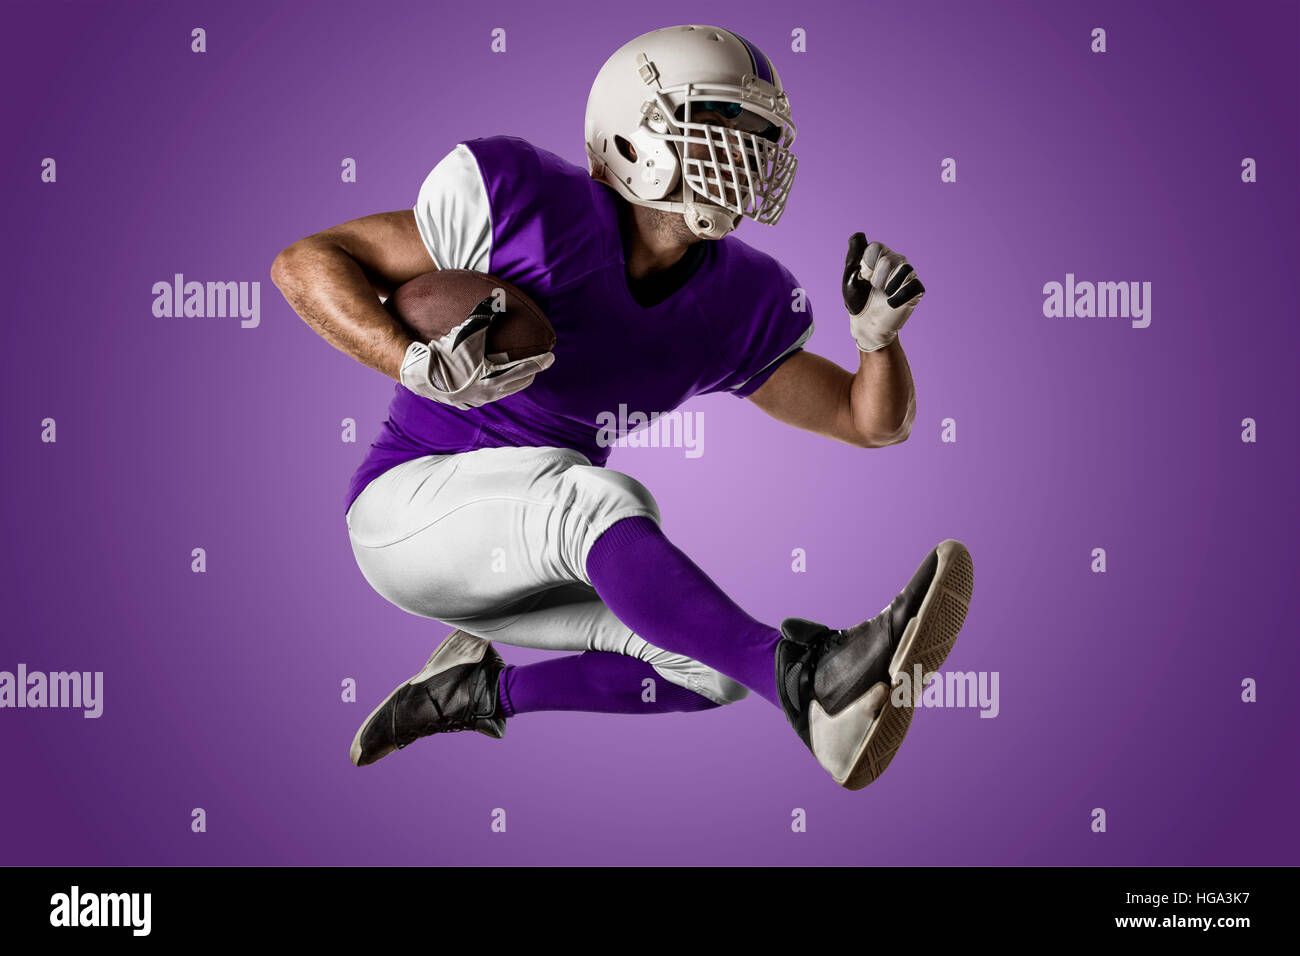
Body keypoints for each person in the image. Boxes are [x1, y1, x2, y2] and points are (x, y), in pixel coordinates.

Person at [270, 24, 973, 790]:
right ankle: (813, 682)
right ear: (633, 135)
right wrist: (409, 360)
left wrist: (877, 342)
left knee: (709, 670)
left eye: (760, 135)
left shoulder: (737, 298)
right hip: (406, 514)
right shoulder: (531, 206)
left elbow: (870, 422)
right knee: (599, 500)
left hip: (528, 550)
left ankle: (470, 693)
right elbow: (305, 262)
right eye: (720, 123)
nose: (747, 152)